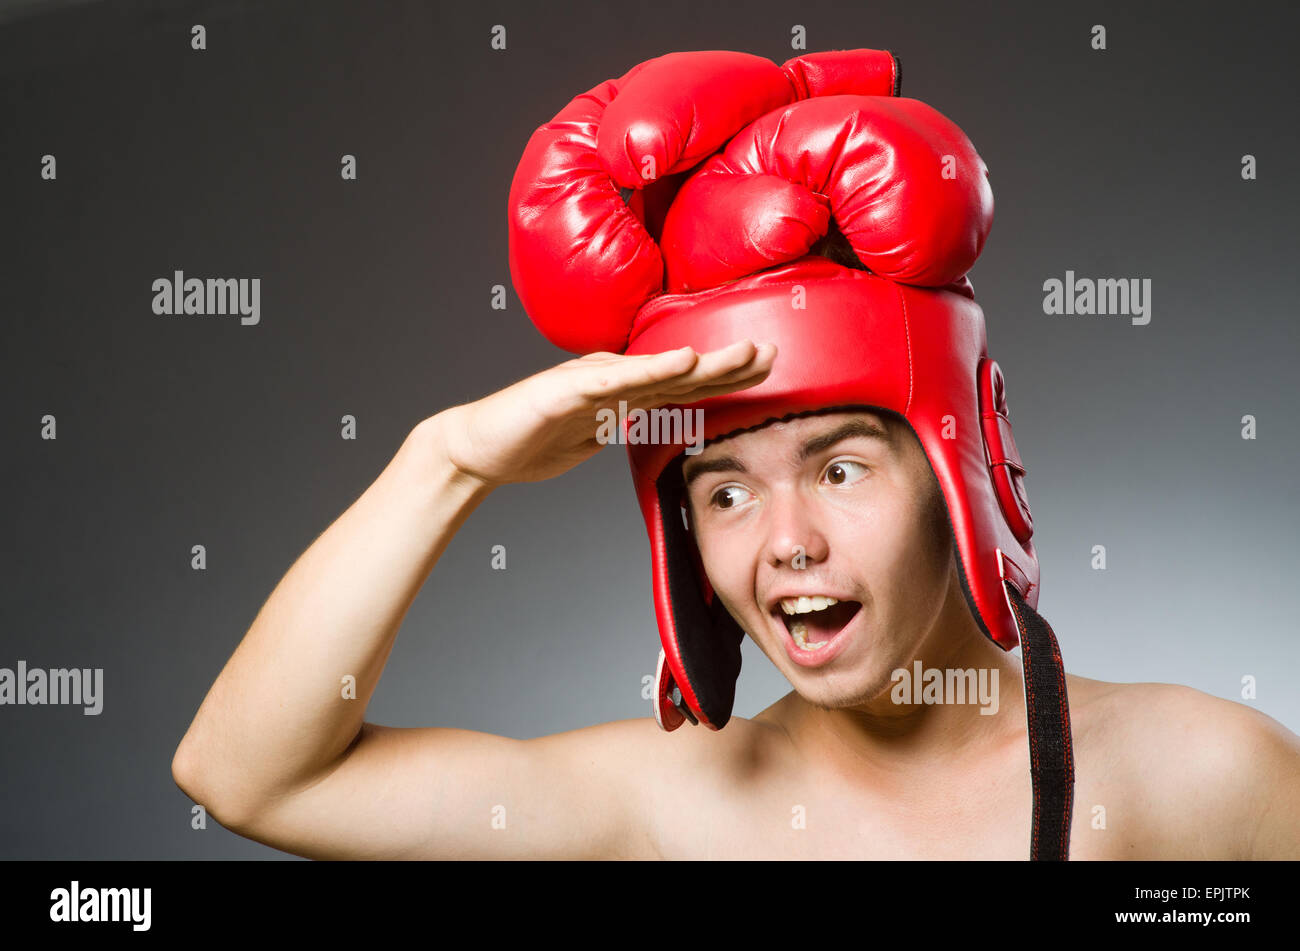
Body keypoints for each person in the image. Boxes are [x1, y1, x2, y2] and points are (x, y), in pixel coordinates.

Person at [172, 49, 1300, 860]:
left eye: (841, 467)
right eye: (722, 491)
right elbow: (252, 776)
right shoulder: (673, 812)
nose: (786, 546)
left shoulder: (1200, 777)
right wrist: (445, 463)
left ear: (960, 467)